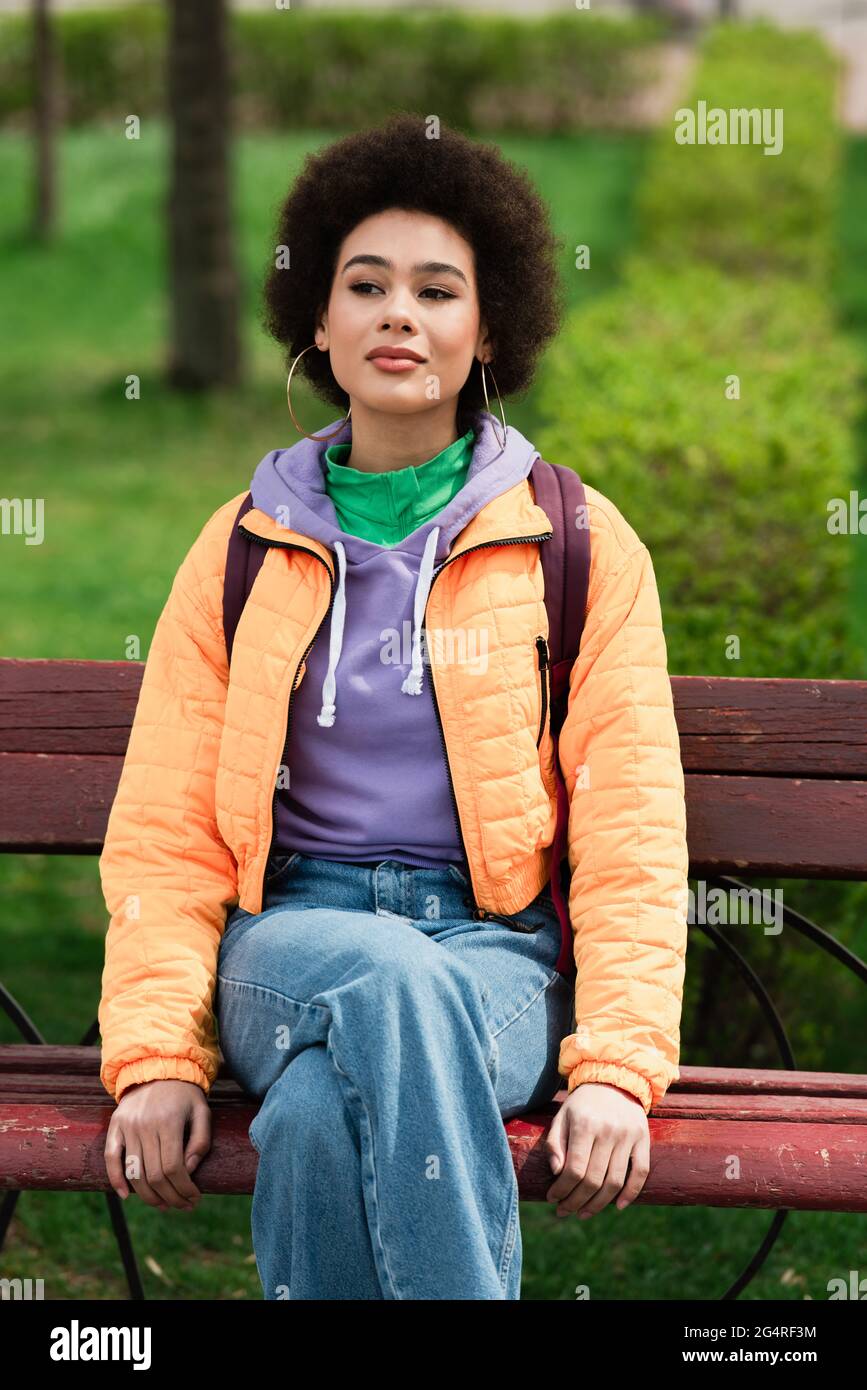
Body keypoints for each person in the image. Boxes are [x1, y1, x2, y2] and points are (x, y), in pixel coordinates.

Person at [98, 113, 689, 1300]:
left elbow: (631, 825)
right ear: (319, 323)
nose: (398, 314)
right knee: (383, 975)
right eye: (364, 286)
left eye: (436, 289)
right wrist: (158, 1054)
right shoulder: (241, 550)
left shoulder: (575, 540)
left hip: (496, 958)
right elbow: (167, 825)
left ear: (487, 330)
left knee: (317, 1116)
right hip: (289, 943)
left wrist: (618, 1066)